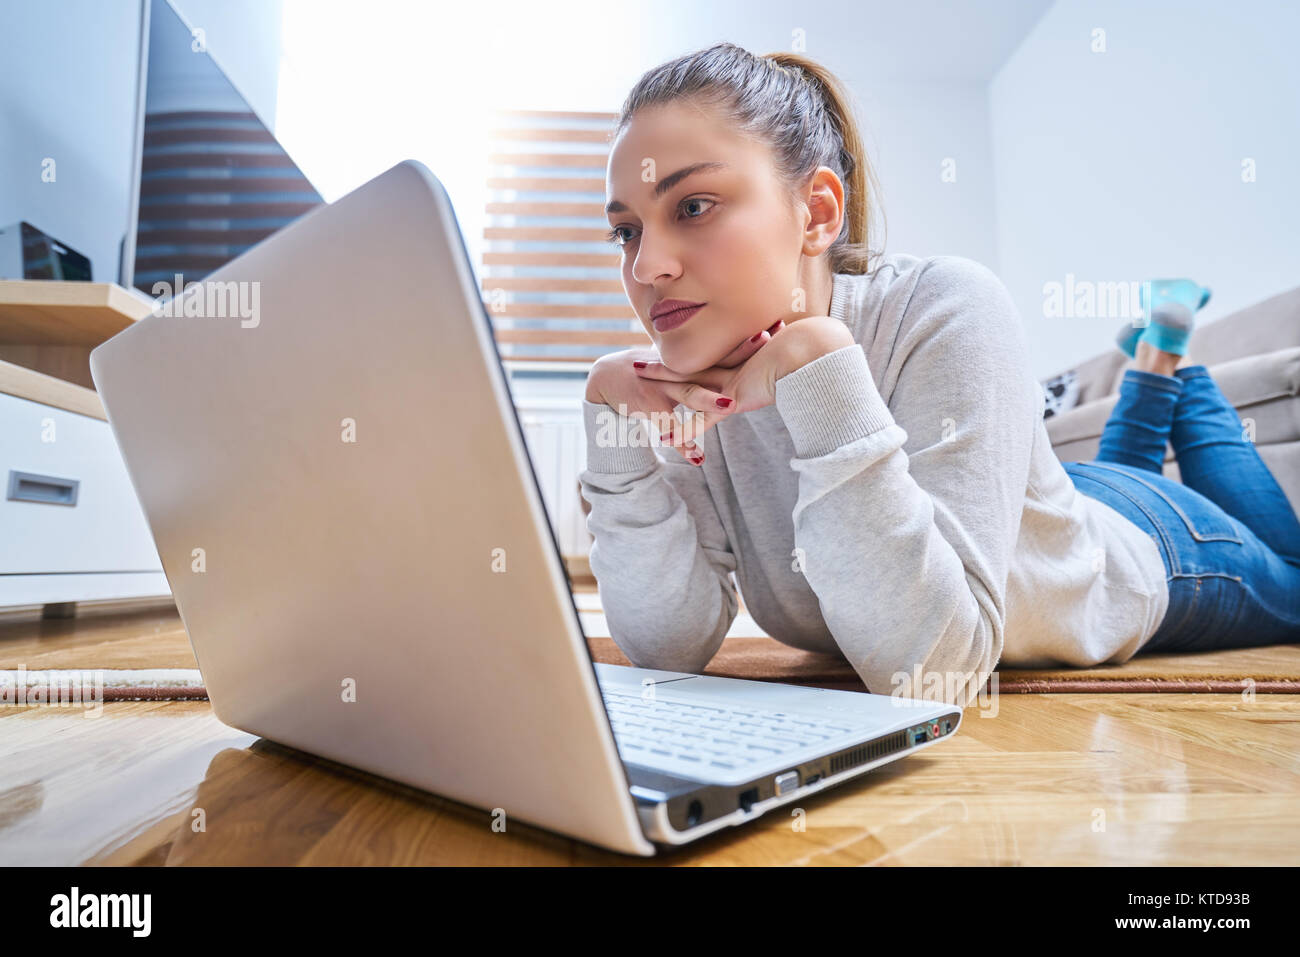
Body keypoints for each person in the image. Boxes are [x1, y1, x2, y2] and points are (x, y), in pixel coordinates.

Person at [578, 42, 1300, 710]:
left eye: (694, 206)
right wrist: (612, 433)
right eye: (627, 230)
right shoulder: (692, 376)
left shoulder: (948, 302)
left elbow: (940, 670)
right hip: (1054, 515)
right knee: (1105, 483)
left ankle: (1175, 358)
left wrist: (819, 369)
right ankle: (1160, 348)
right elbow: (665, 646)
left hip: (1159, 549)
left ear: (817, 213)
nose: (647, 268)